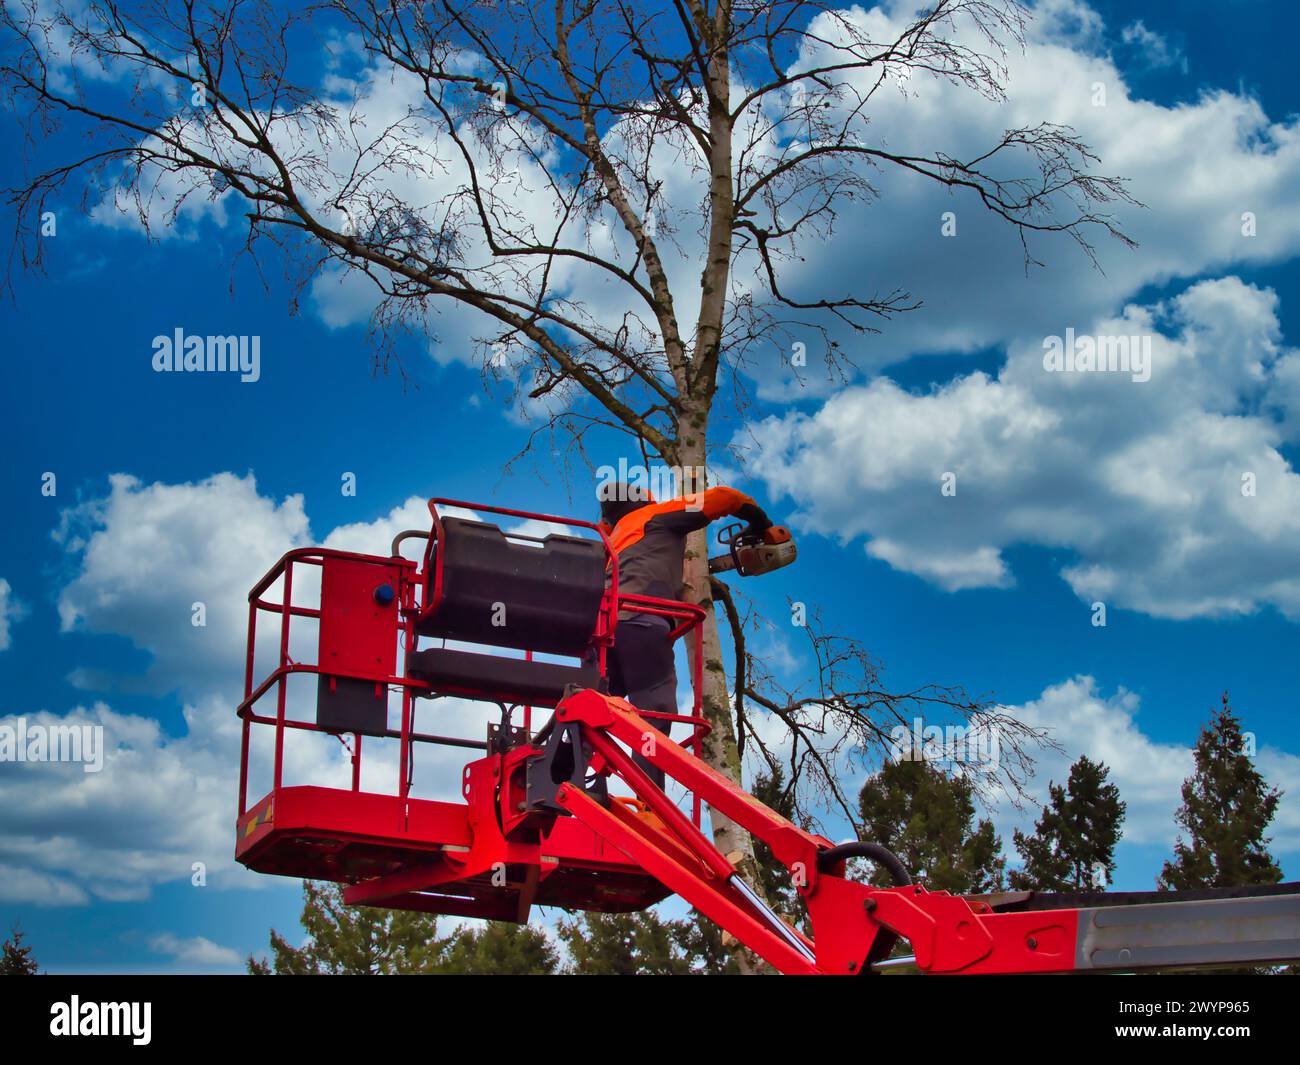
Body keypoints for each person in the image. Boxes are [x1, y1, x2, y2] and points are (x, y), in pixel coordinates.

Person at [597, 480, 773, 789]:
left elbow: (643, 573)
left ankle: (559, 779)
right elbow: (724, 497)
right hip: (642, 623)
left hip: (602, 634)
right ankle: (648, 803)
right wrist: (761, 522)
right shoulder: (656, 516)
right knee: (656, 710)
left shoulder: (612, 543)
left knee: (593, 710)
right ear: (645, 502)